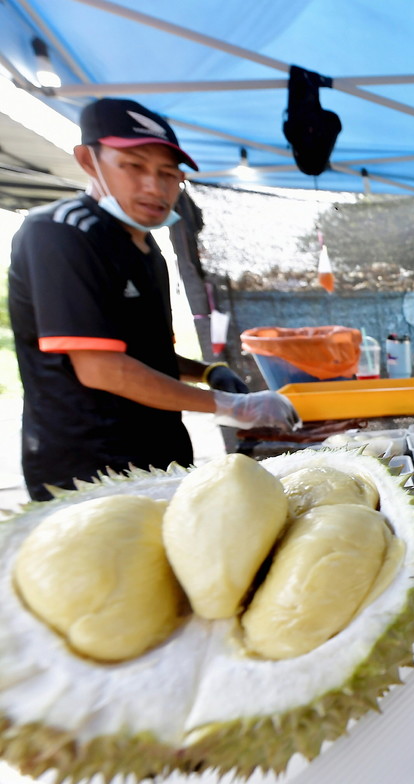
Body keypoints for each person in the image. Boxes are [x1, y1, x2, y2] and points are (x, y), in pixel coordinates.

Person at [8, 98, 299, 501]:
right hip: (88, 470)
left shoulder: (147, 249)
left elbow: (143, 351)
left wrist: (206, 370)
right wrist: (231, 405)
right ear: (89, 161)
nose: (154, 186)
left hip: (158, 454)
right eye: (134, 167)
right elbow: (102, 368)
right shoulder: (62, 235)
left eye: (167, 174)